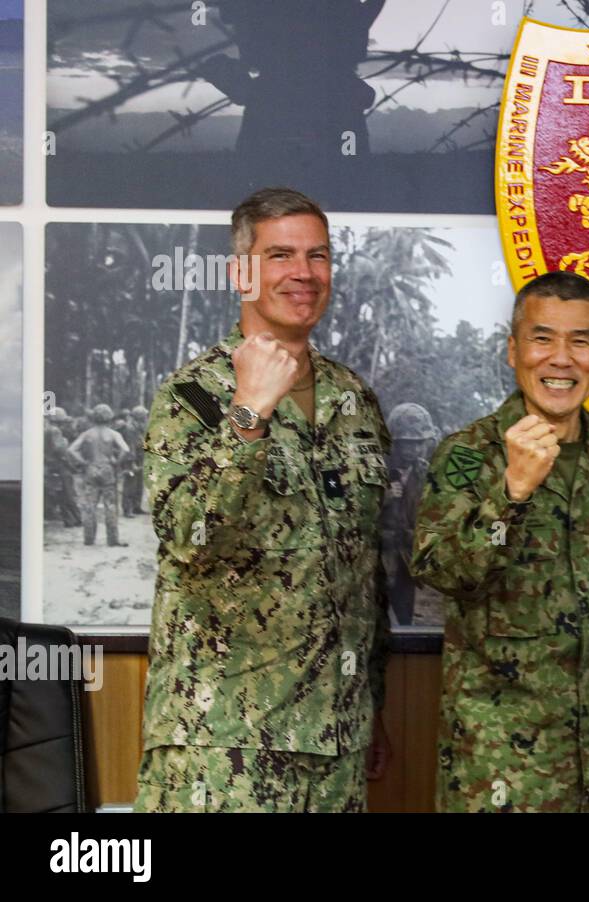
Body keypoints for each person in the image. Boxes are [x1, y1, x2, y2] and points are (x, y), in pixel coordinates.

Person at [134, 187, 392, 812]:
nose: (303, 273)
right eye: (280, 255)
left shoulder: (353, 398)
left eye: (318, 256)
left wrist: (369, 703)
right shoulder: (193, 395)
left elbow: (362, 566)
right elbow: (191, 536)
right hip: (223, 747)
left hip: (336, 744)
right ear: (240, 272)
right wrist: (248, 414)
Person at [410, 271, 589, 813]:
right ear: (513, 350)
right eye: (542, 338)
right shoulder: (469, 454)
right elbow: (441, 572)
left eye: (580, 341)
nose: (561, 359)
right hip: (500, 771)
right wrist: (511, 493)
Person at [380, 402, 438, 625]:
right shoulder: (376, 467)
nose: (413, 450)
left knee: (404, 619)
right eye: (407, 444)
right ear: (394, 443)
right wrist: (383, 497)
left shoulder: (424, 472)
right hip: (377, 559)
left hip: (405, 559)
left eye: (418, 444)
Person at [67, 404, 131, 547]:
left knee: (90, 505)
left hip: (91, 469)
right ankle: (112, 539)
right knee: (110, 505)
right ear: (109, 416)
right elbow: (125, 450)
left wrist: (83, 462)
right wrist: (116, 462)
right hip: (107, 469)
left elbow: (71, 449)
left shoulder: (87, 434)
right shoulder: (114, 434)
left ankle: (89, 539)